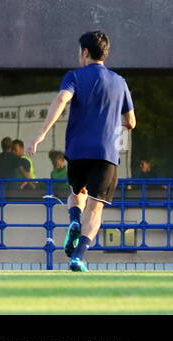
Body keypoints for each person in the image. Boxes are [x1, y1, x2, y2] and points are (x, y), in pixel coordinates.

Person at [28, 31, 135, 273]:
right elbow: (131, 121)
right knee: (96, 207)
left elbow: (62, 99)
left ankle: (74, 219)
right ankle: (78, 256)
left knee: (78, 192)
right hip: (106, 152)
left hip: (78, 150)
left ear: (85, 52)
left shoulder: (74, 76)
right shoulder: (120, 82)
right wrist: (109, 120)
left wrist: (41, 135)